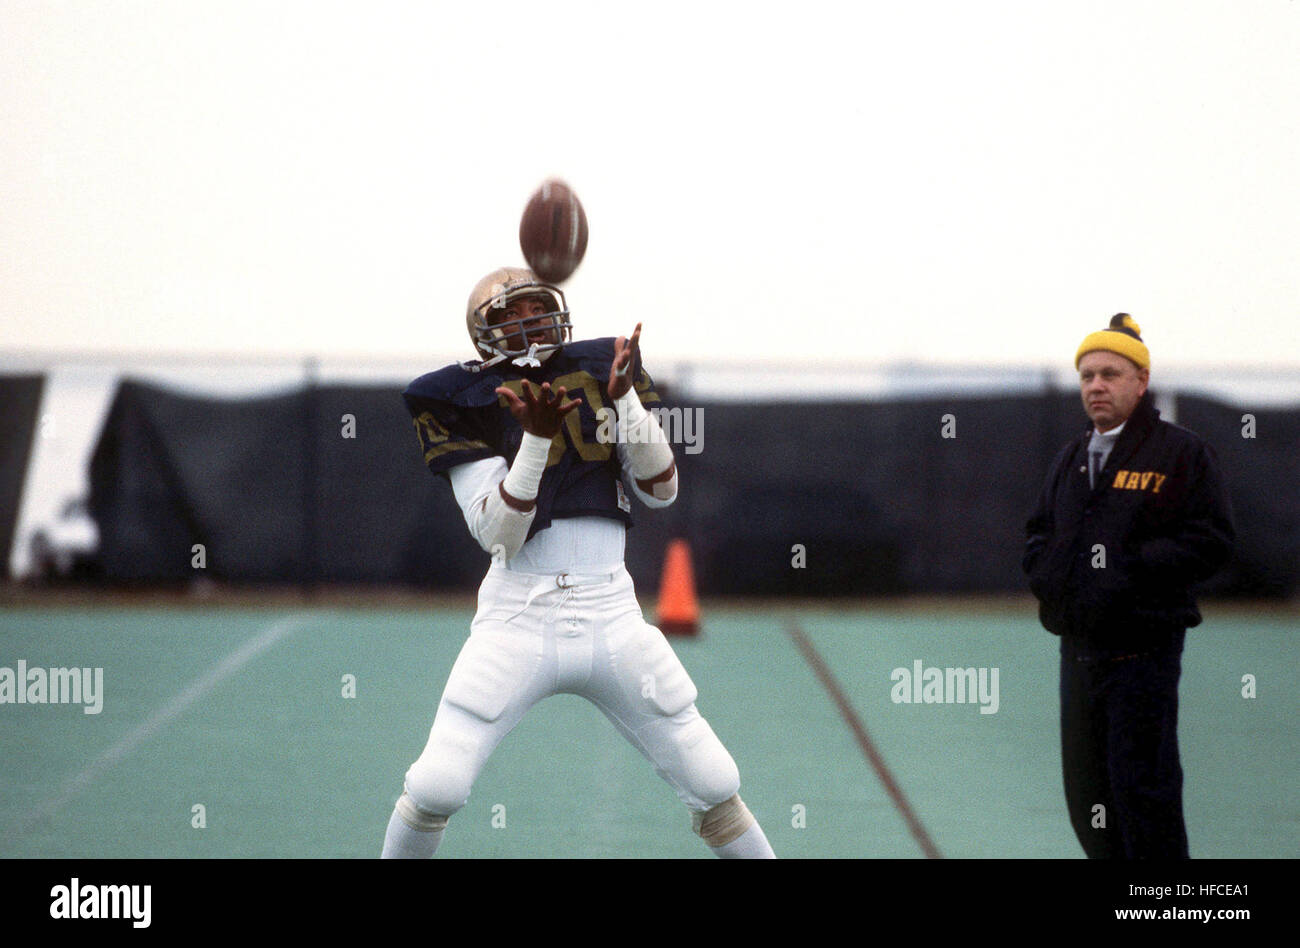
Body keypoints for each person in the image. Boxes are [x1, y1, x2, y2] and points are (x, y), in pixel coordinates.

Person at [381, 266, 775, 858]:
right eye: (508, 315)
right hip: (519, 615)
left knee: (715, 780)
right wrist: (536, 440)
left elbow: (661, 489)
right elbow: (500, 536)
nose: (527, 321)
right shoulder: (458, 396)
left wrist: (625, 404)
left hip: (611, 612)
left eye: (535, 306)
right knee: (438, 784)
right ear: (481, 333)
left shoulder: (601, 367)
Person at [1023, 313, 1234, 859]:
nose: (1096, 385)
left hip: (1143, 655)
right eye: (1088, 375)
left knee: (1143, 792)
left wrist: (1127, 569)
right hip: (1080, 654)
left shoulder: (1180, 454)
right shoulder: (1071, 458)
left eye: (1111, 374)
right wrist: (1052, 581)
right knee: (1087, 800)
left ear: (1141, 381)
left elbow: (1211, 541)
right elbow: (1038, 535)